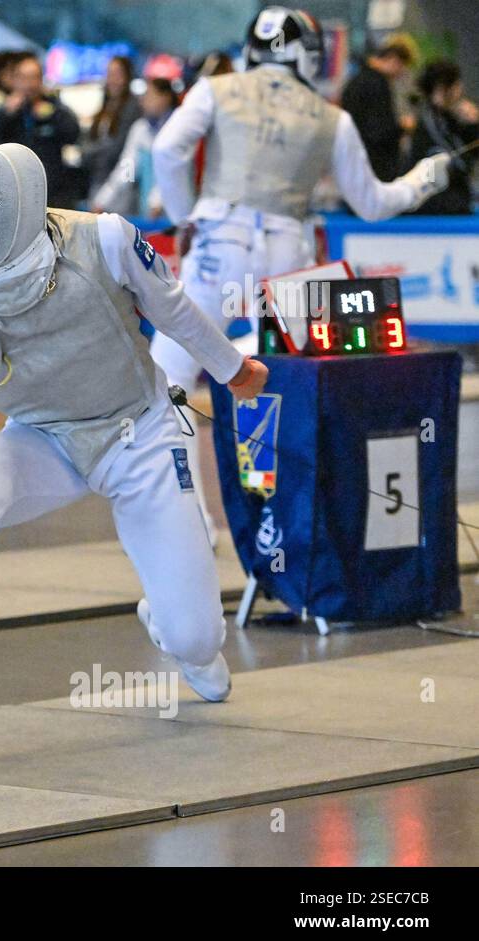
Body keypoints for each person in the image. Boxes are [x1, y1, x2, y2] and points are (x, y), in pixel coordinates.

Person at [0, 143, 269, 770]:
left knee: (199, 642)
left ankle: (168, 620)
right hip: (42, 439)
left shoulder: (106, 239)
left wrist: (232, 368)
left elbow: (173, 310)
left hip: (138, 433)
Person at [150, 6, 448, 542]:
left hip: (221, 243)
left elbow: (168, 149)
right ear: (307, 54)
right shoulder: (330, 116)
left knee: (167, 378)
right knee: (274, 382)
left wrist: (184, 217)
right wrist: (425, 177)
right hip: (288, 252)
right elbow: (374, 203)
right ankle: (279, 522)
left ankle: (187, 520)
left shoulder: (217, 90)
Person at [0, 54, 83, 209]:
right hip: (14, 191)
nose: (30, 84)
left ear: (41, 80)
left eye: (34, 77)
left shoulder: (54, 106)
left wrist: (52, 114)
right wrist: (5, 113)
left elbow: (73, 134)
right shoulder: (5, 109)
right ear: (14, 80)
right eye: (24, 78)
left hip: (52, 192)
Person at [91, 77, 178, 219]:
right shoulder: (140, 129)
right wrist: (102, 201)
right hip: (148, 213)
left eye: (150, 95)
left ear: (165, 98)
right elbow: (127, 170)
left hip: (174, 213)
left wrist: (157, 202)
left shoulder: (178, 129)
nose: (143, 101)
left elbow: (172, 171)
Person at [340, 36, 417, 182]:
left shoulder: (357, 79)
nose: (401, 74)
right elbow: (378, 131)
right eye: (402, 67)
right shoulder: (378, 84)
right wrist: (402, 127)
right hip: (374, 167)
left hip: (353, 162)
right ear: (394, 60)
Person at [408, 59, 479, 215]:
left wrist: (473, 124)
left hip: (452, 198)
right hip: (436, 202)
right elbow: (456, 164)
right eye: (457, 84)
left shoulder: (449, 117)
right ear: (442, 88)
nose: (461, 89)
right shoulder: (429, 122)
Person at [83, 55, 141, 204]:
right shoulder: (106, 106)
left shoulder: (133, 107)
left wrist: (88, 152)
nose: (112, 80)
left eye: (118, 74)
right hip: (99, 178)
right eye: (109, 74)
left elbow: (120, 149)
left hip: (122, 179)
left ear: (127, 77)